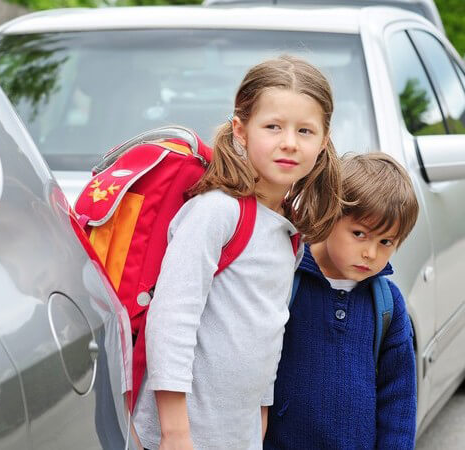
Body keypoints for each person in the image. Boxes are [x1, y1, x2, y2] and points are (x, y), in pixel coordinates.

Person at [132, 55, 344, 450]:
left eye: (305, 130)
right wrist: (174, 432)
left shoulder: (288, 229)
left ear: (324, 140)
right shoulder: (218, 212)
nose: (289, 142)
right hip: (178, 436)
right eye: (273, 127)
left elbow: (267, 328)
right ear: (240, 131)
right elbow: (172, 318)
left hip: (237, 435)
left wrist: (260, 415)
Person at [264, 152, 420, 450]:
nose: (371, 253)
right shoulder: (286, 278)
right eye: (359, 234)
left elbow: (399, 398)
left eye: (386, 242)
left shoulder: (388, 304)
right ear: (329, 215)